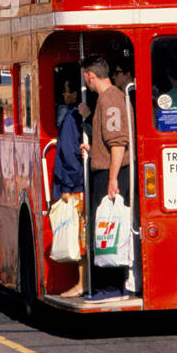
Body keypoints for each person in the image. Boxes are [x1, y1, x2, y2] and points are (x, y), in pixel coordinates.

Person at [79, 55, 131, 297]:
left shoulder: (109, 99)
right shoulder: (112, 97)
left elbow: (118, 143)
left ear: (90, 75)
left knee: (109, 229)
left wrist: (112, 180)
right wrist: (94, 149)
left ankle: (110, 286)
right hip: (110, 168)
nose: (85, 82)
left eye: (85, 77)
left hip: (113, 173)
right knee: (109, 229)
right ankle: (109, 285)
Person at [52, 78, 90, 297]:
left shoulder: (70, 118)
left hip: (75, 186)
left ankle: (81, 283)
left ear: (75, 94)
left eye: (66, 92)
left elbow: (68, 154)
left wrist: (66, 186)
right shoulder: (81, 116)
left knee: (79, 238)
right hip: (81, 183)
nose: (63, 97)